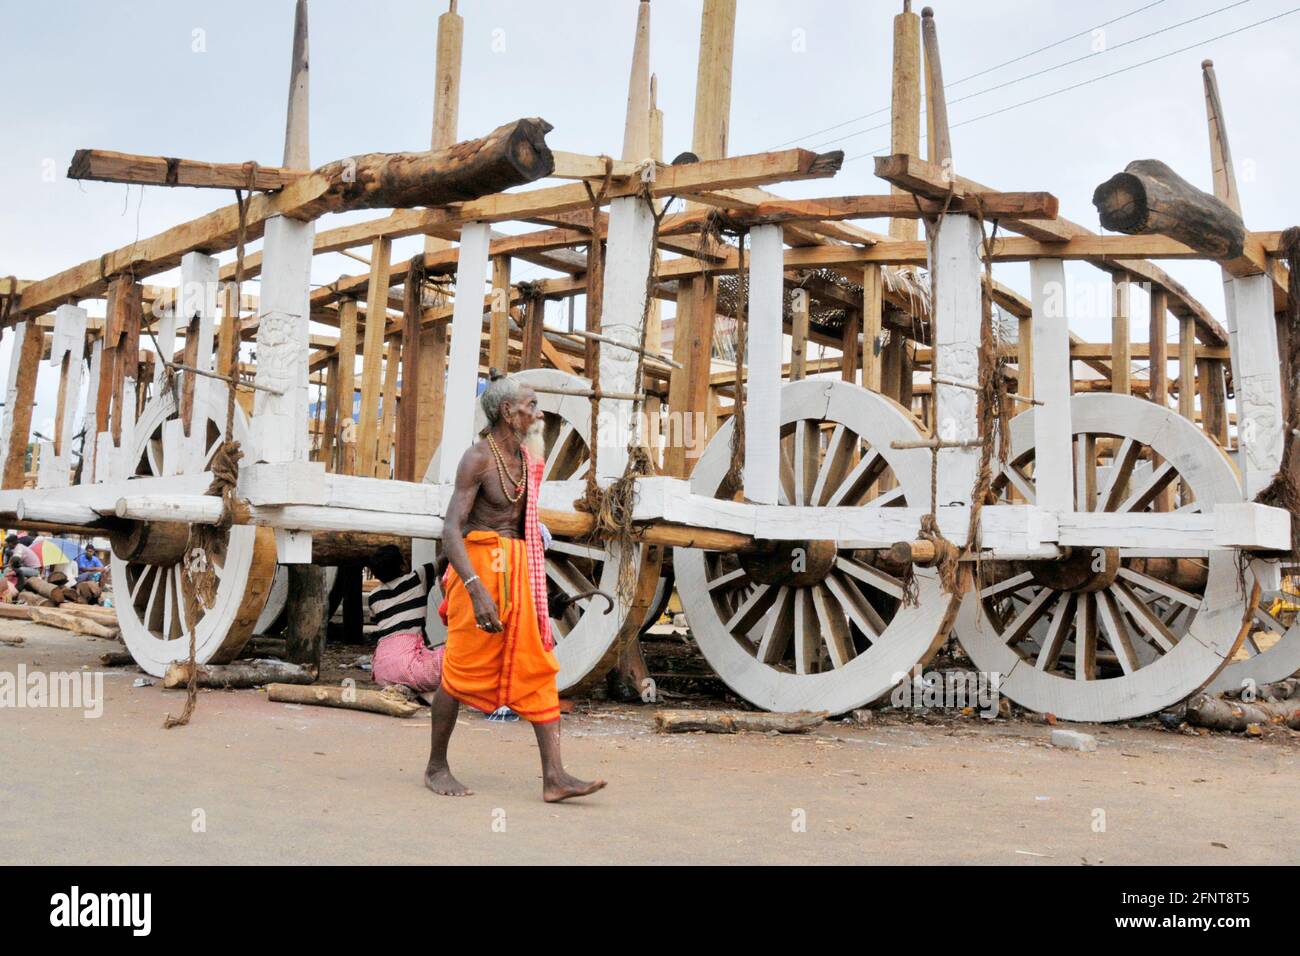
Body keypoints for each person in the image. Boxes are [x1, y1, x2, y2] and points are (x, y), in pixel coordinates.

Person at [426, 370, 605, 803]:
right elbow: (451, 530)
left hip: (519, 573)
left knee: (538, 667)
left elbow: (523, 524)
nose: (537, 413)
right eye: (530, 406)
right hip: (479, 571)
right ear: (508, 412)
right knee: (461, 670)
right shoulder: (477, 459)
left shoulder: (526, 459)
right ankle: (436, 766)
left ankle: (554, 777)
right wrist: (475, 588)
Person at [367, 545, 444, 700]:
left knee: (420, 656)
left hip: (382, 671)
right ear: (403, 565)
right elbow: (444, 559)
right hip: (408, 666)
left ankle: (412, 689)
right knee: (456, 659)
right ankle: (417, 686)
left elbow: (378, 622)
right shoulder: (417, 578)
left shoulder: (373, 597)